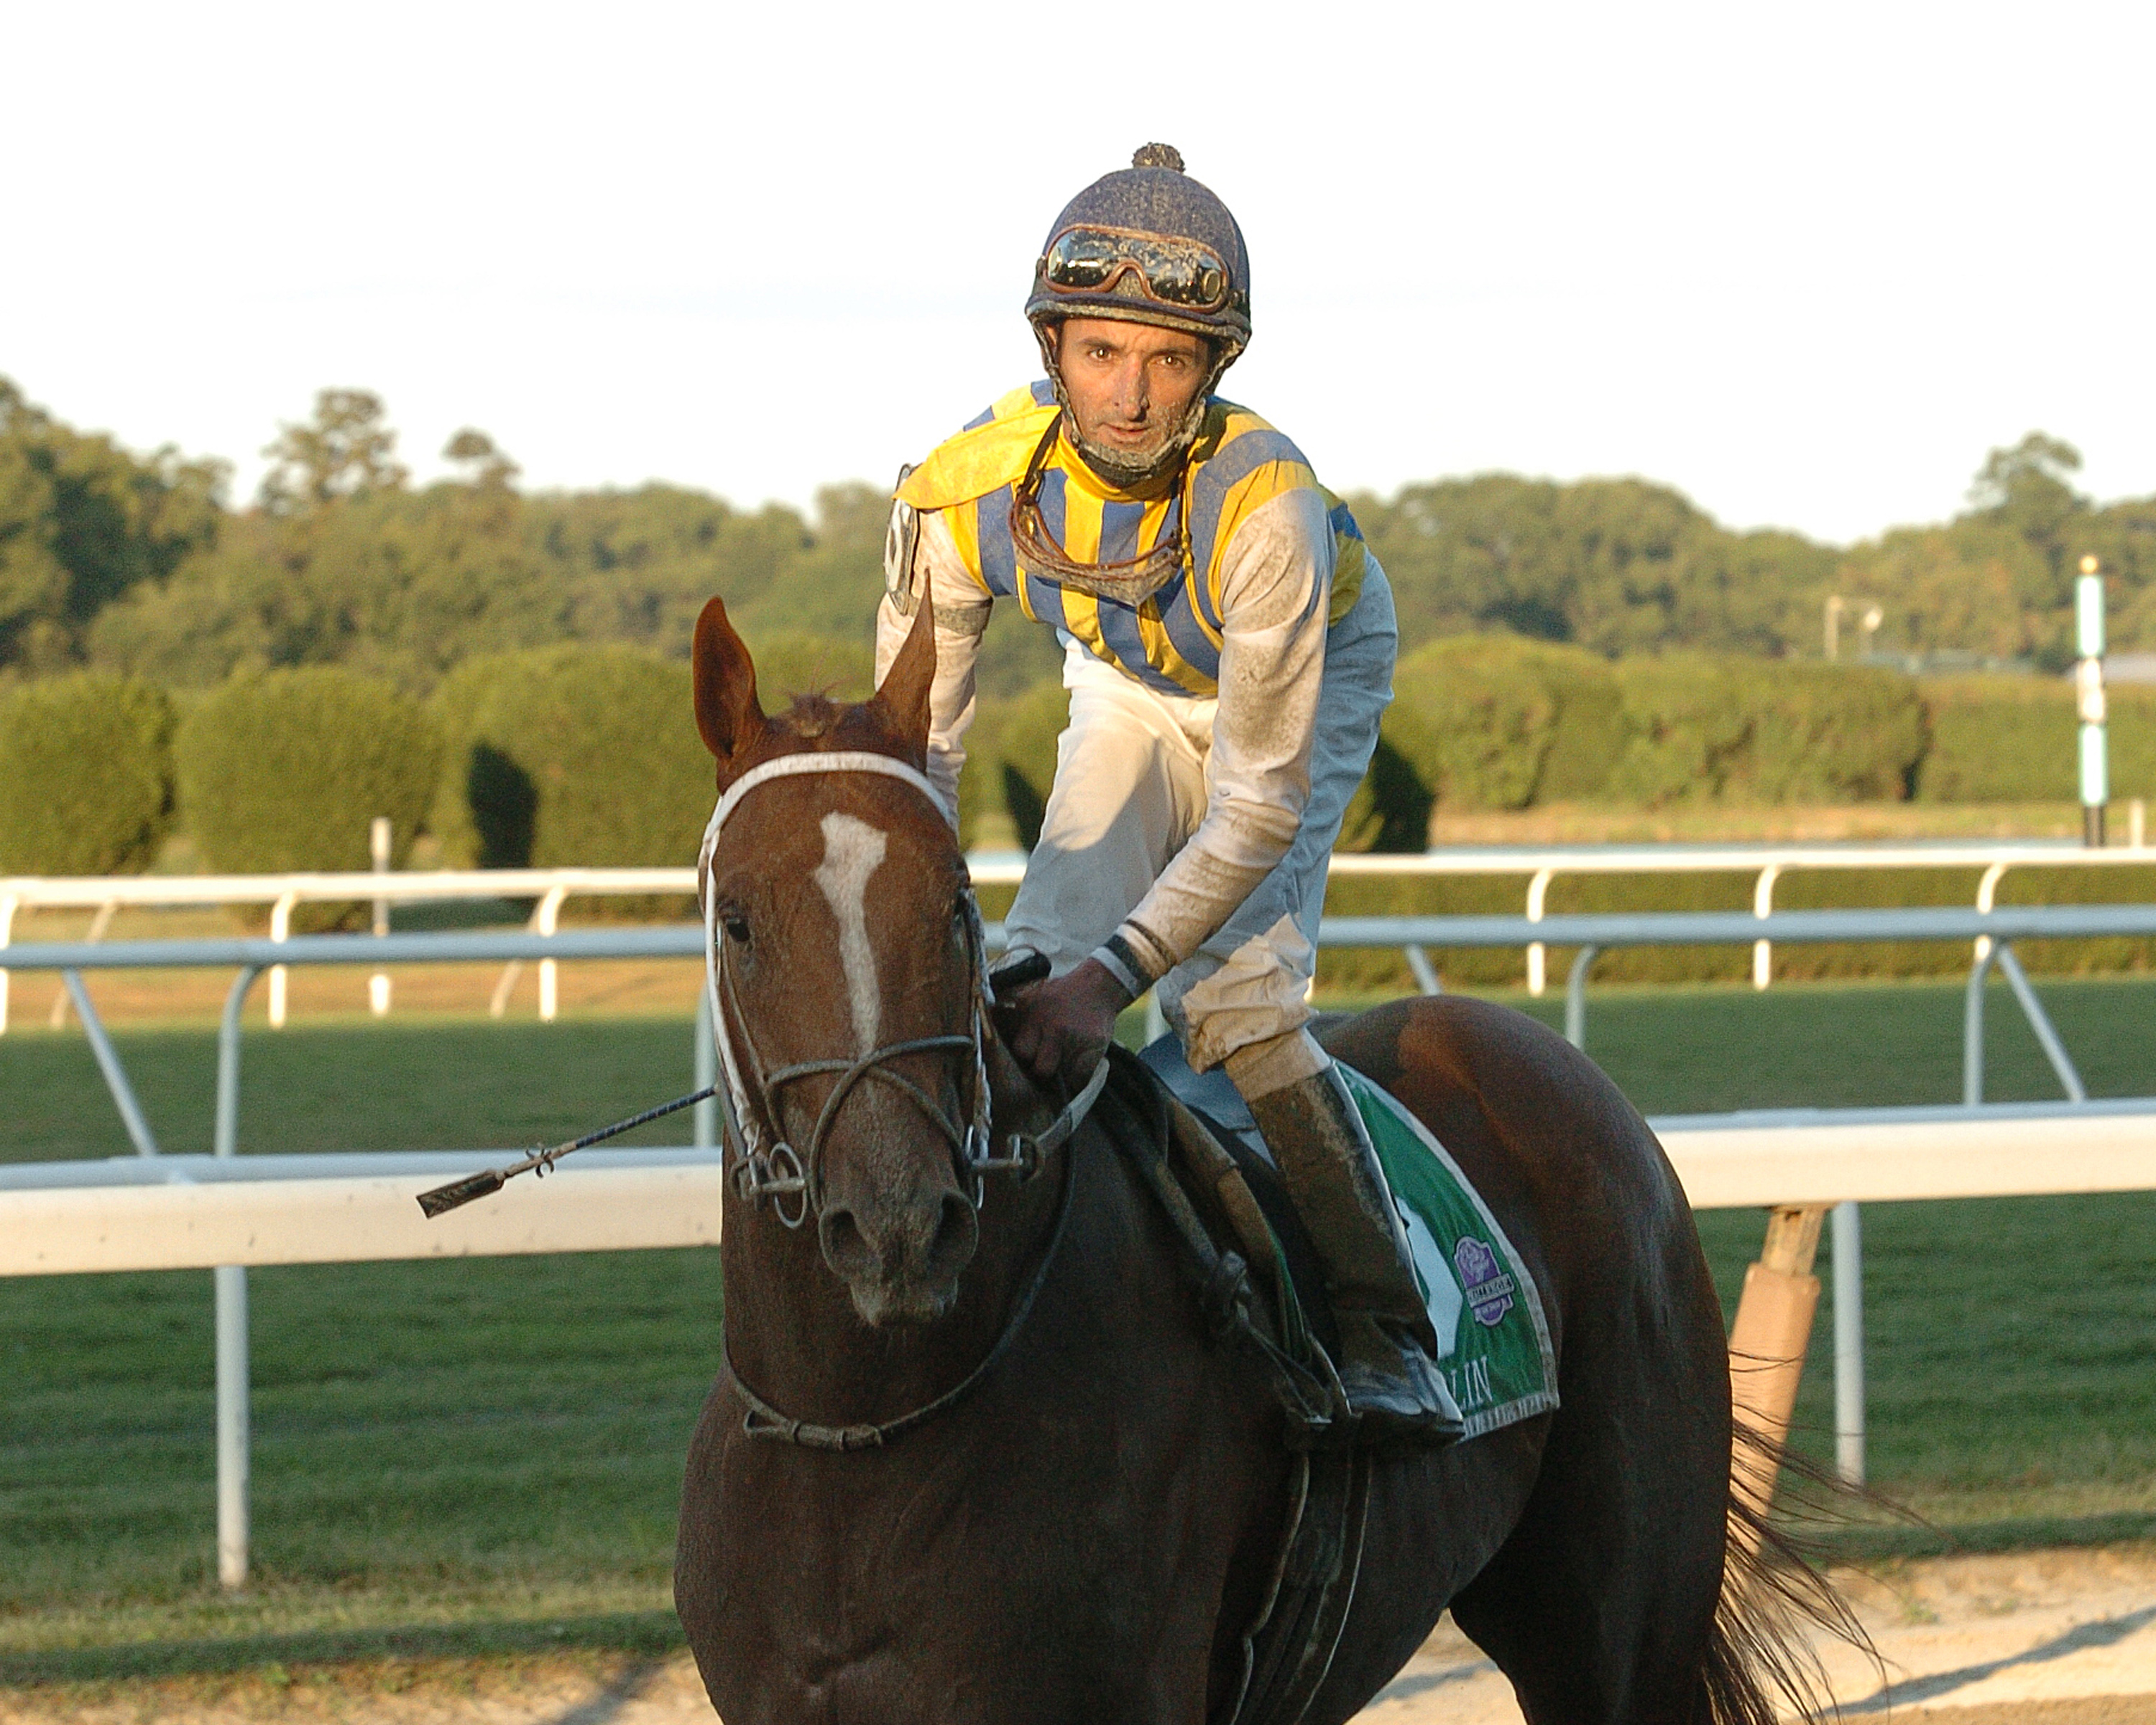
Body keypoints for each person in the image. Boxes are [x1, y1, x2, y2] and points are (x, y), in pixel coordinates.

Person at [874, 145, 1460, 1443]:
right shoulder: (957, 491)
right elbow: (919, 756)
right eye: (1100, 354)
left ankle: (1387, 1326)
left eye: (1169, 361)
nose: (1130, 398)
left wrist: (1116, 981)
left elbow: (1254, 805)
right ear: (1053, 344)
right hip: (1134, 684)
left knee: (1232, 1007)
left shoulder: (1269, 511)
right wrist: (971, 946)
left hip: (1307, 682)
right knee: (1034, 964)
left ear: (1214, 371)